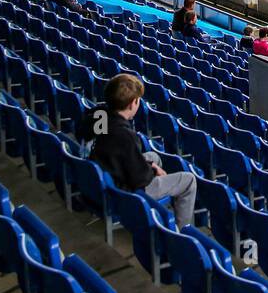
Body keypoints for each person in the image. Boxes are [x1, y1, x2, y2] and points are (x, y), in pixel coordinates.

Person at [77, 74, 197, 231]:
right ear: (133, 103)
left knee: (154, 157)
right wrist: (153, 169)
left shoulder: (101, 115)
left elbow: (101, 140)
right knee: (188, 180)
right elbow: (139, 179)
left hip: (105, 165)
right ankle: (181, 232)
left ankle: (159, 211)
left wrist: (151, 164)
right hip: (124, 189)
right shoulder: (125, 136)